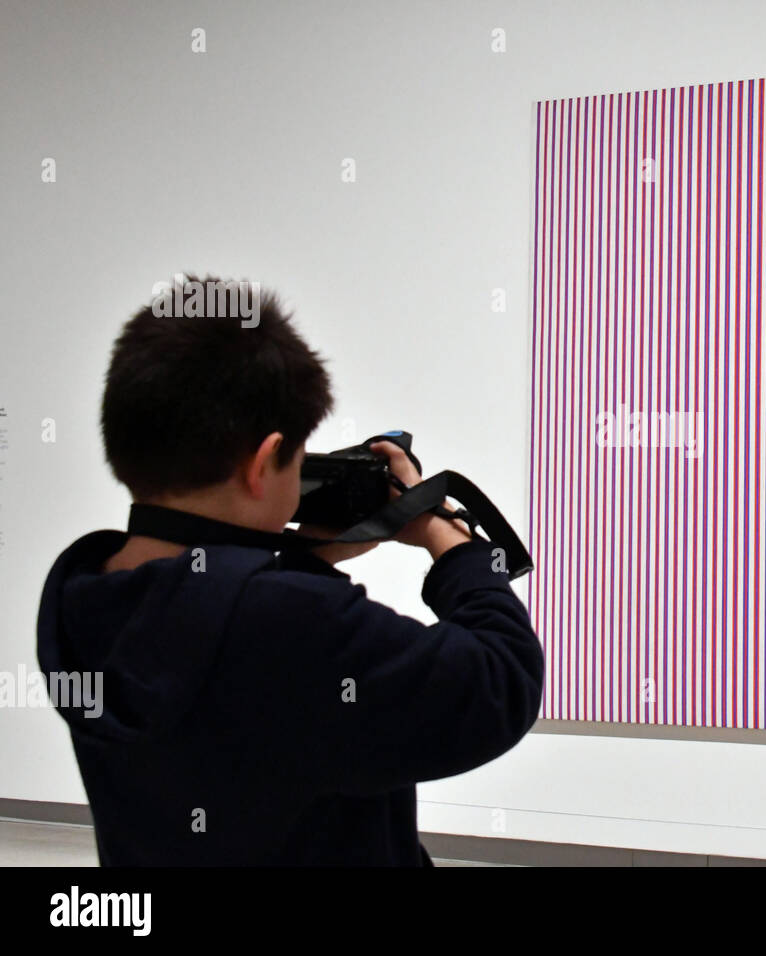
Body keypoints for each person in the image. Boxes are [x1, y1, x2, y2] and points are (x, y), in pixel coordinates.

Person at [36, 276, 544, 865]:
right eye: (297, 458)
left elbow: (202, 626)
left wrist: (303, 560)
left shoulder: (85, 592)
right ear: (261, 464)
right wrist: (444, 534)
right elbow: (498, 681)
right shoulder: (294, 620)